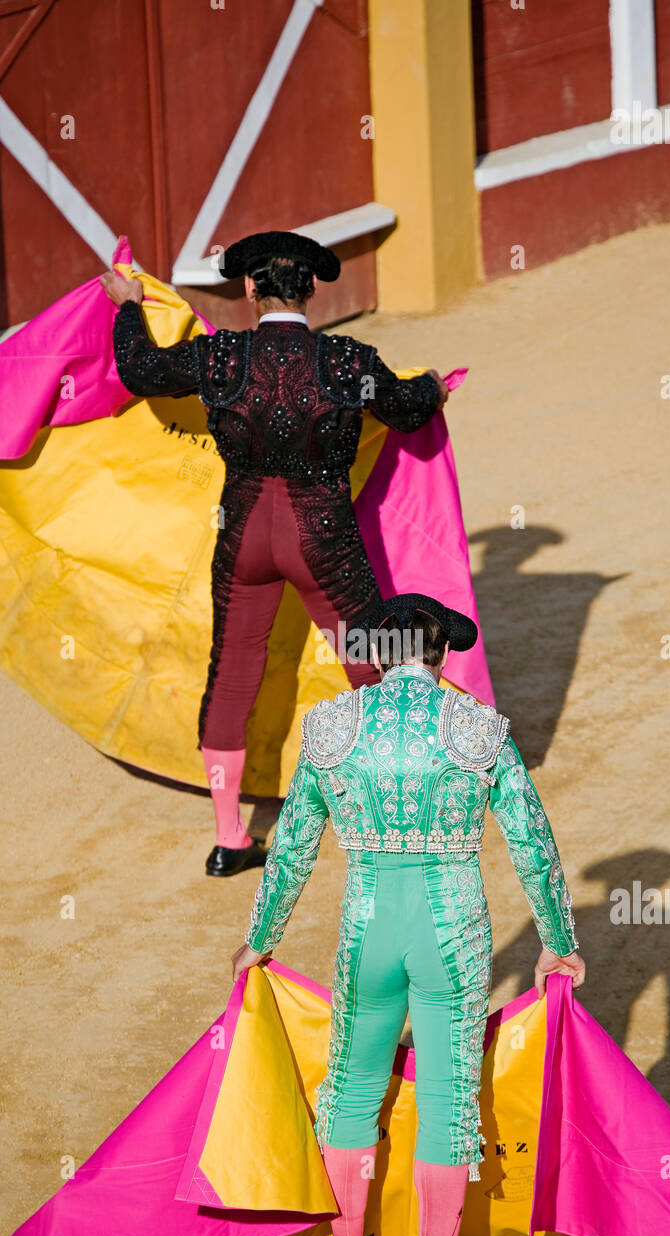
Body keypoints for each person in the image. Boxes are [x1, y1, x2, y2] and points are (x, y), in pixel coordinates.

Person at [231, 594, 586, 1236]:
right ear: (442, 654)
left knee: (352, 1086)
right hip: (450, 933)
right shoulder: (478, 728)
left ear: (374, 656)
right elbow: (531, 843)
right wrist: (557, 942)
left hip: (368, 929)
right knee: (450, 1099)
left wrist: (259, 941)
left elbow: (295, 845)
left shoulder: (332, 726)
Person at [100, 232, 449, 877]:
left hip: (243, 536)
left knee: (232, 674)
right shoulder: (348, 359)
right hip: (323, 536)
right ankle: (398, 819)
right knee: (375, 662)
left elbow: (140, 371)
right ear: (312, 291)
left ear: (250, 289)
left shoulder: (220, 355)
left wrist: (127, 303)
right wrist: (431, 386)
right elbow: (405, 411)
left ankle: (229, 838)